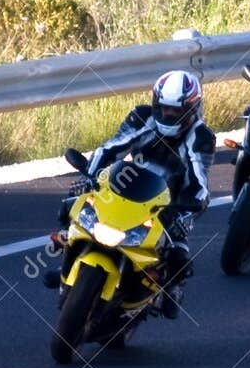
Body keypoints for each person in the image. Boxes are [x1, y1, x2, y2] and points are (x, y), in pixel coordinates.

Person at [47, 70, 213, 318]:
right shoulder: (142, 117)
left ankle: (171, 289)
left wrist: (189, 207)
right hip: (126, 188)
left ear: (191, 109)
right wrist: (90, 176)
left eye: (175, 111)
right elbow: (111, 148)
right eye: (164, 108)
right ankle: (67, 263)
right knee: (71, 203)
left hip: (171, 203)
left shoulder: (201, 137)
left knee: (178, 259)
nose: (168, 114)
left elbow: (199, 183)